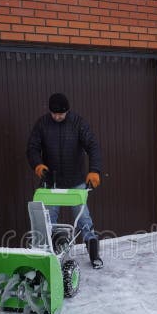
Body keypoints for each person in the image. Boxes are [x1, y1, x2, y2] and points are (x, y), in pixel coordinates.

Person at [27, 93, 103, 269]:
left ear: (67, 111)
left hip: (76, 181)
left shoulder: (78, 123)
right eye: (54, 114)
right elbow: (32, 148)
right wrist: (37, 165)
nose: (57, 117)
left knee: (84, 219)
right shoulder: (42, 124)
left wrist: (94, 171)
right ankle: (50, 258)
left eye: (61, 114)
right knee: (49, 222)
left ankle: (94, 255)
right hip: (51, 183)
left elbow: (92, 146)